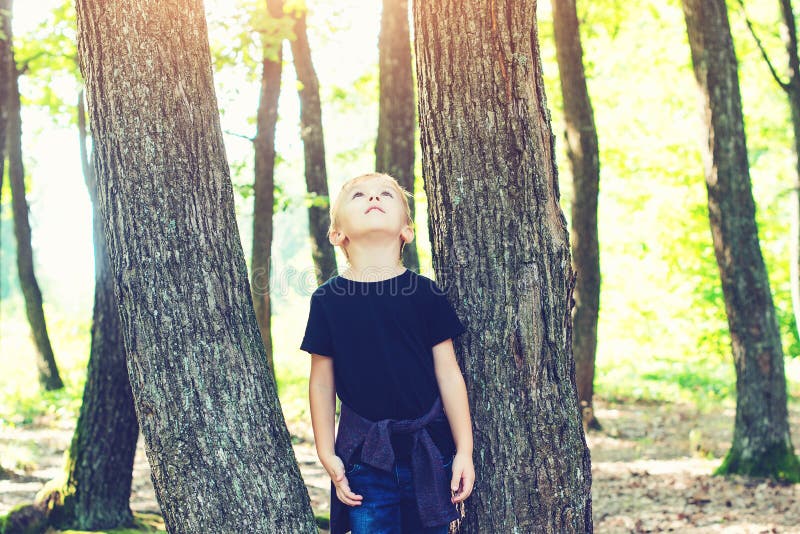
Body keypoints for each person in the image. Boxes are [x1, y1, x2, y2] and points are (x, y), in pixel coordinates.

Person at [299, 172, 475, 534]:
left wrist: (464, 451)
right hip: (365, 458)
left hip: (430, 453)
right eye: (359, 195)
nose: (373, 198)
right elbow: (321, 383)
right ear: (337, 234)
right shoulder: (328, 300)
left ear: (406, 230)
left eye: (385, 195)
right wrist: (326, 452)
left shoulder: (426, 294)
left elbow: (448, 373)